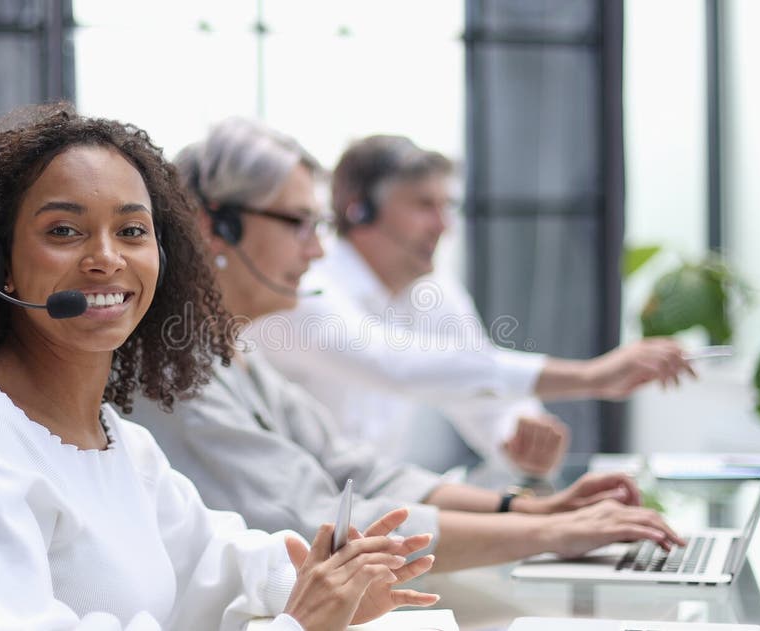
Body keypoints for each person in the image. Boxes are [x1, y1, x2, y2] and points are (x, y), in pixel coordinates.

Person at [0, 104, 439, 631]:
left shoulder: (117, 441)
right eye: (63, 230)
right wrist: (300, 623)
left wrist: (321, 578)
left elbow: (212, 562)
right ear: (0, 264)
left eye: (132, 231)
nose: (106, 258)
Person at [129, 117, 684, 574]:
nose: (316, 251)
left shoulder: (228, 351)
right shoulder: (178, 366)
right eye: (299, 223)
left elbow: (361, 471)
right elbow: (317, 516)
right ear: (212, 227)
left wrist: (529, 506)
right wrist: (546, 528)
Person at [247, 134, 695, 483]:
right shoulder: (303, 286)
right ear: (359, 210)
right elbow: (394, 362)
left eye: (447, 206)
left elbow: (480, 388)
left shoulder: (433, 291)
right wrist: (591, 376)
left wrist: (522, 436)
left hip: (371, 516)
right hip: (288, 526)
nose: (444, 226)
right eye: (424, 205)